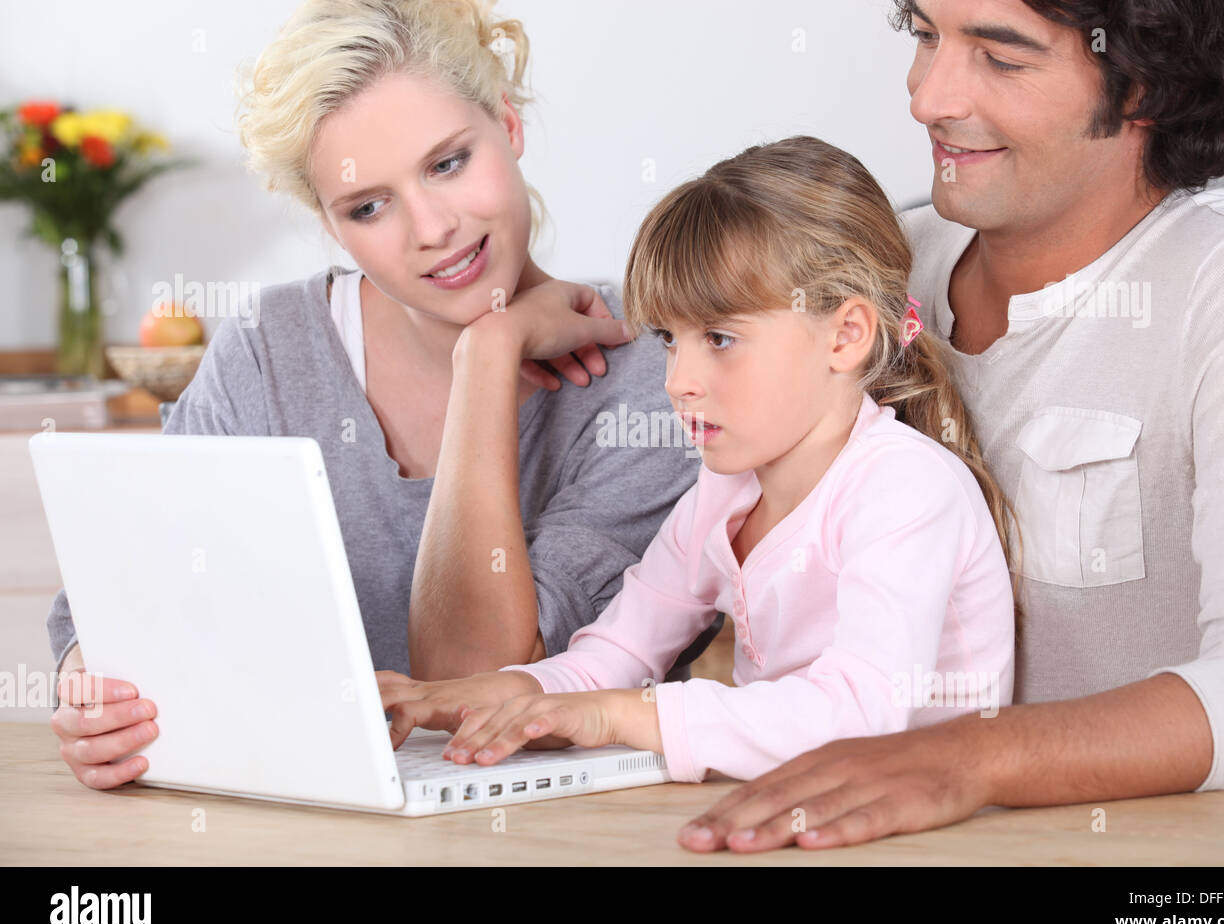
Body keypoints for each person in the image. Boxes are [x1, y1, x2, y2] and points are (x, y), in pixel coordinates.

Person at [46, 0, 720, 791]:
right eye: (368, 206)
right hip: (283, 819)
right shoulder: (268, 349)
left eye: (448, 163)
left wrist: (488, 358)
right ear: (334, 228)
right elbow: (115, 596)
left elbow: (469, 681)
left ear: (508, 124)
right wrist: (94, 693)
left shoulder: (657, 374)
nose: (430, 227)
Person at [679, 0, 1224, 852]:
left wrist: (969, 759)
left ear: (1145, 85)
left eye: (1000, 58)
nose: (927, 98)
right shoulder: (886, 265)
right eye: (926, 35)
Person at [379, 135, 1018, 782]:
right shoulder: (725, 493)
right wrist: (480, 695)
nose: (677, 380)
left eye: (719, 338)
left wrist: (622, 715)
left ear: (846, 334)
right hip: (798, 815)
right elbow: (612, 656)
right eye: (669, 339)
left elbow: (856, 715)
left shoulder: (905, 488)